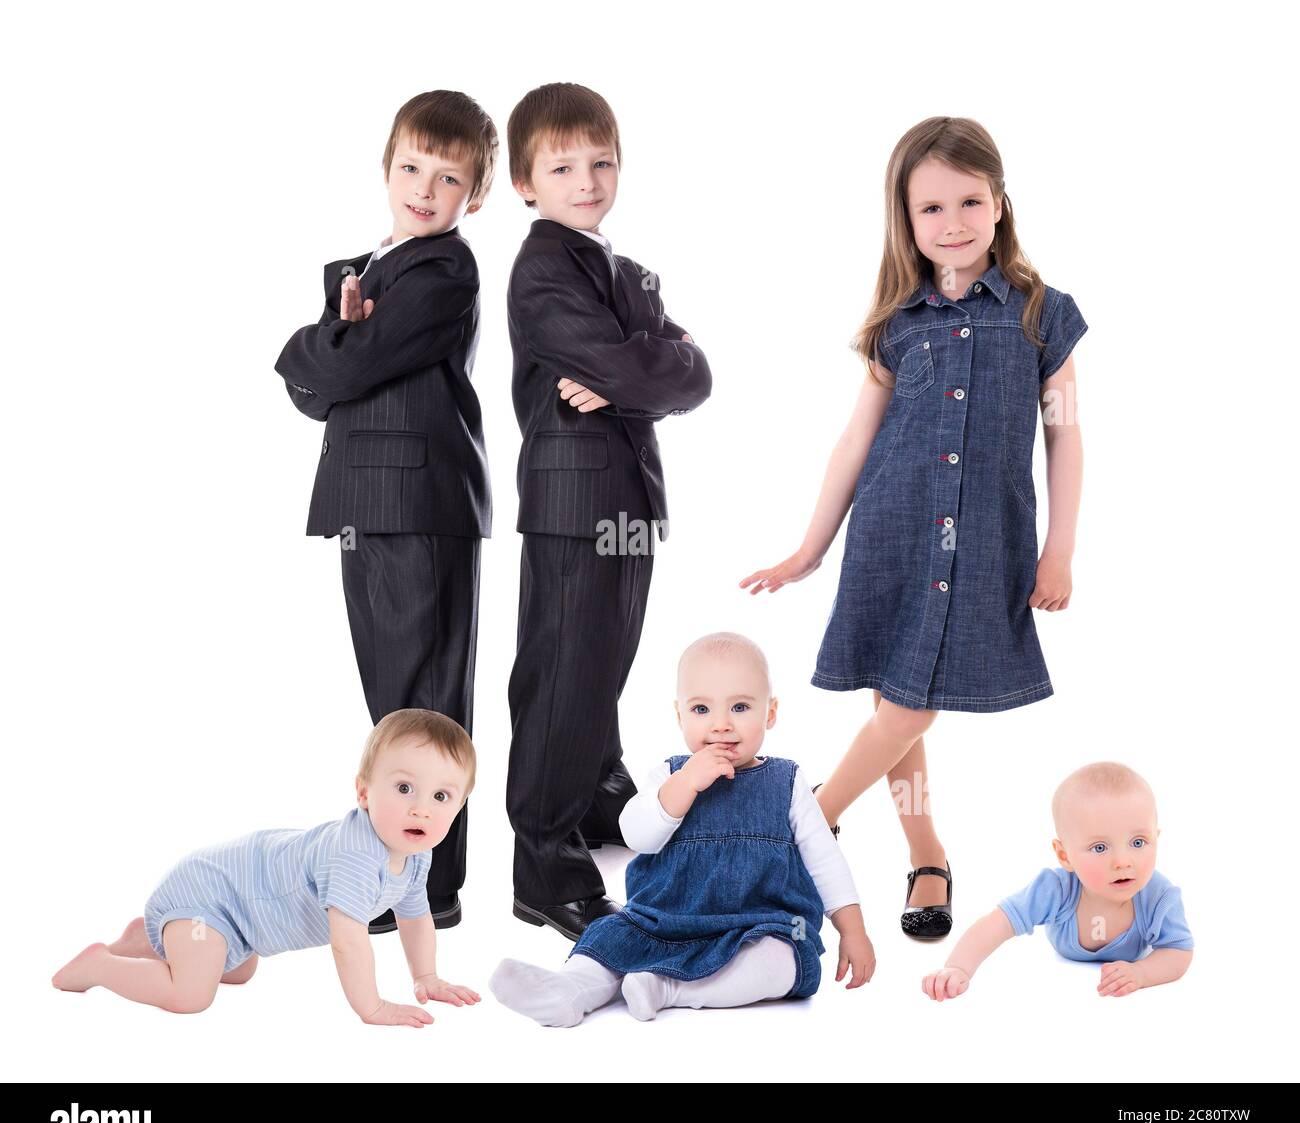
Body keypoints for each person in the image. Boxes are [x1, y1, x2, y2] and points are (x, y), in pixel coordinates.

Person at [741, 116, 1088, 940]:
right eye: (931, 208)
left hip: (985, 550)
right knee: (900, 706)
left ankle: (806, 819)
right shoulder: (897, 322)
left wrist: (1061, 547)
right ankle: (926, 852)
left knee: (906, 709)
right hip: (891, 536)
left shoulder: (1045, 315)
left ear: (1000, 204)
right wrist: (809, 549)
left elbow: (1065, 434)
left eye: (971, 201)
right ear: (905, 218)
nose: (954, 222)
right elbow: (856, 439)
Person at [273, 90, 499, 933]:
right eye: (411, 167)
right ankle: (398, 868)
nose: (424, 188)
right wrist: (332, 356)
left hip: (418, 499)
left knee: (426, 699)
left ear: (473, 195)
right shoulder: (376, 270)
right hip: (368, 496)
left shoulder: (443, 269)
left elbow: (335, 368)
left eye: (448, 178)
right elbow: (320, 397)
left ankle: (429, 885)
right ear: (386, 167)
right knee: (393, 699)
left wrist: (311, 343)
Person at [502, 82, 712, 941]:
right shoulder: (545, 266)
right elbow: (640, 363)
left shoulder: (622, 269)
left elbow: (694, 373)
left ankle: (595, 794)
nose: (586, 180)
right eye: (562, 166)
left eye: (601, 162)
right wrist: (641, 368)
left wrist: (635, 375)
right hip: (574, 499)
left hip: (627, 494)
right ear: (526, 182)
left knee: (604, 660)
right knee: (563, 672)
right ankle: (542, 856)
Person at [490, 633, 874, 1026]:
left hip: (761, 924)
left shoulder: (788, 783)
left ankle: (669, 989)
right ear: (680, 716)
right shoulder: (670, 775)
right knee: (609, 936)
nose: (721, 725)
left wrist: (852, 931)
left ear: (770, 713)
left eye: (740, 707)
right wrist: (685, 785)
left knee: (784, 960)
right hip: (662, 920)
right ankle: (568, 991)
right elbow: (636, 834)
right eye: (702, 708)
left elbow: (825, 860)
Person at [52, 710, 481, 1026]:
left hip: (241, 925)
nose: (421, 810)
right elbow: (348, 943)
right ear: (363, 791)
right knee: (191, 994)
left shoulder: (415, 852)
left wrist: (427, 976)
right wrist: (372, 1007)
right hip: (209, 897)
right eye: (404, 788)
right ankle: (100, 966)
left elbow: (415, 916)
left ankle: (145, 937)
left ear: (460, 807)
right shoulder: (356, 856)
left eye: (441, 797)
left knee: (237, 972)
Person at [921, 762, 1194, 999]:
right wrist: (958, 967)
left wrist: (1142, 973)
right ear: (1065, 856)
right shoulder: (1057, 890)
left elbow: (1178, 951)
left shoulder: (1160, 897)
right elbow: (998, 923)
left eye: (1138, 842)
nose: (1123, 861)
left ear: (1156, 838)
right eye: (1100, 847)